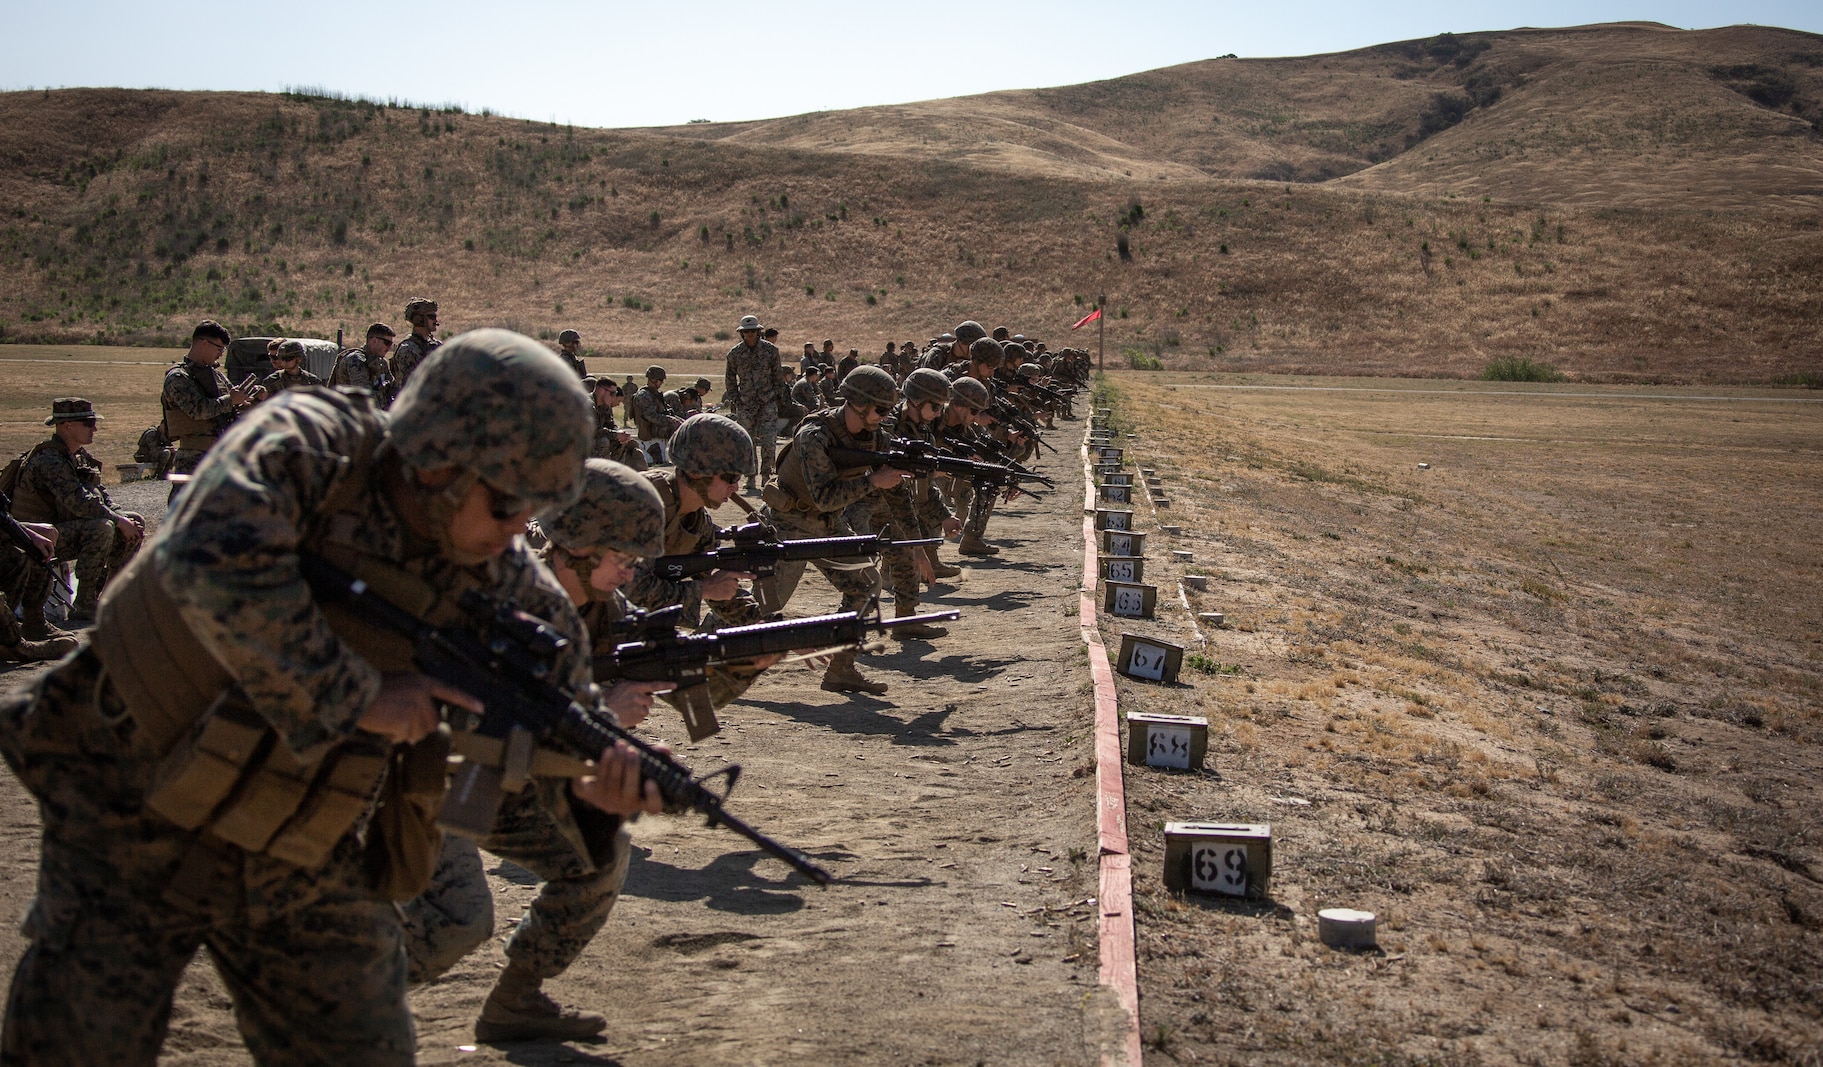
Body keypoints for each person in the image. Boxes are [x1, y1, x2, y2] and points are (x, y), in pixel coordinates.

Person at [0, 329, 661, 1066]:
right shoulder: (308, 445)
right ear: (440, 461)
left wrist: (598, 769)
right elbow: (209, 561)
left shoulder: (499, 570)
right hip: (129, 793)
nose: (518, 532)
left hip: (295, 825)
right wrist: (359, 693)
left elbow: (559, 694)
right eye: (509, 502)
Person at [757, 366, 913, 696]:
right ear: (857, 403)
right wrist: (873, 481)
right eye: (880, 409)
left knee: (867, 582)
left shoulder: (876, 437)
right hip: (788, 526)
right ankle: (696, 657)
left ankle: (841, 669)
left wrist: (919, 544)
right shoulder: (815, 435)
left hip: (827, 526)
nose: (884, 418)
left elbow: (897, 496)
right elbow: (824, 497)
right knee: (760, 607)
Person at [10, 398, 145, 624]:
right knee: (101, 527)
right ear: (67, 426)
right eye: (88, 422)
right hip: (33, 539)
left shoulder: (78, 457)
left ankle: (110, 597)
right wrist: (118, 521)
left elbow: (100, 496)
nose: (95, 428)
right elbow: (80, 503)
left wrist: (123, 519)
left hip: (60, 532)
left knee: (131, 520)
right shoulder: (49, 460)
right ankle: (85, 603)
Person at [623, 414, 764, 629]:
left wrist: (770, 625)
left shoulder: (696, 520)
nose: (735, 488)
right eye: (731, 478)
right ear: (697, 472)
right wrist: (704, 589)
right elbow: (629, 590)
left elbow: (715, 584)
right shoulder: (642, 505)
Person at [873, 370, 963, 637]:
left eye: (941, 407)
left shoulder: (924, 434)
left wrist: (943, 516)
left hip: (897, 506)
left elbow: (924, 486)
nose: (938, 412)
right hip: (868, 503)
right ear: (914, 401)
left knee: (905, 561)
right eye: (934, 406)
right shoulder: (886, 426)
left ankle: (906, 621)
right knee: (859, 571)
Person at [160, 320, 265, 499]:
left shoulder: (216, 375)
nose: (220, 355)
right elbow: (198, 410)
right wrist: (231, 400)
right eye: (219, 349)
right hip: (194, 459)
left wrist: (253, 401)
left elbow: (234, 408)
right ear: (204, 343)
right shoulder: (178, 377)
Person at [723, 315, 785, 492]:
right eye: (746, 332)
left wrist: (775, 396)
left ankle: (766, 476)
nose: (750, 335)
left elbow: (778, 376)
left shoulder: (770, 351)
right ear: (742, 334)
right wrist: (736, 398)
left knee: (768, 440)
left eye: (753, 331)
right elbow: (729, 378)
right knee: (747, 441)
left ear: (759, 332)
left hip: (767, 402)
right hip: (746, 403)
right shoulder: (735, 354)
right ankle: (750, 477)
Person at [585, 375, 648, 471]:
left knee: (623, 442)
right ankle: (600, 473)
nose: (614, 397)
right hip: (577, 442)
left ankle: (615, 472)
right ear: (601, 391)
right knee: (603, 441)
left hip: (591, 440)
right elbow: (593, 430)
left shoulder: (604, 406)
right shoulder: (587, 404)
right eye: (612, 393)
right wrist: (615, 435)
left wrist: (620, 434)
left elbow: (610, 424)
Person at [329, 323, 399, 407]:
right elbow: (366, 397)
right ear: (374, 340)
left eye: (391, 344)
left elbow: (393, 387)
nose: (389, 348)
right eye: (387, 343)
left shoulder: (381, 362)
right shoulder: (355, 361)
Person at [629, 365, 684, 466]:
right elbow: (651, 416)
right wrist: (669, 420)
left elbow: (665, 411)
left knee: (683, 425)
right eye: (660, 380)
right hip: (649, 429)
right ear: (653, 379)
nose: (662, 382)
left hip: (657, 427)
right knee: (679, 429)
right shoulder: (644, 395)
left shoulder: (655, 394)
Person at [390, 297, 440, 387]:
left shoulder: (436, 346)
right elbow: (412, 386)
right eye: (432, 317)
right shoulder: (408, 350)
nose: (435, 321)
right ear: (419, 319)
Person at [258, 339, 326, 396]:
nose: (284, 362)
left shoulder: (312, 381)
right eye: (282, 358)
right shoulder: (272, 381)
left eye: (288, 359)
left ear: (298, 359)